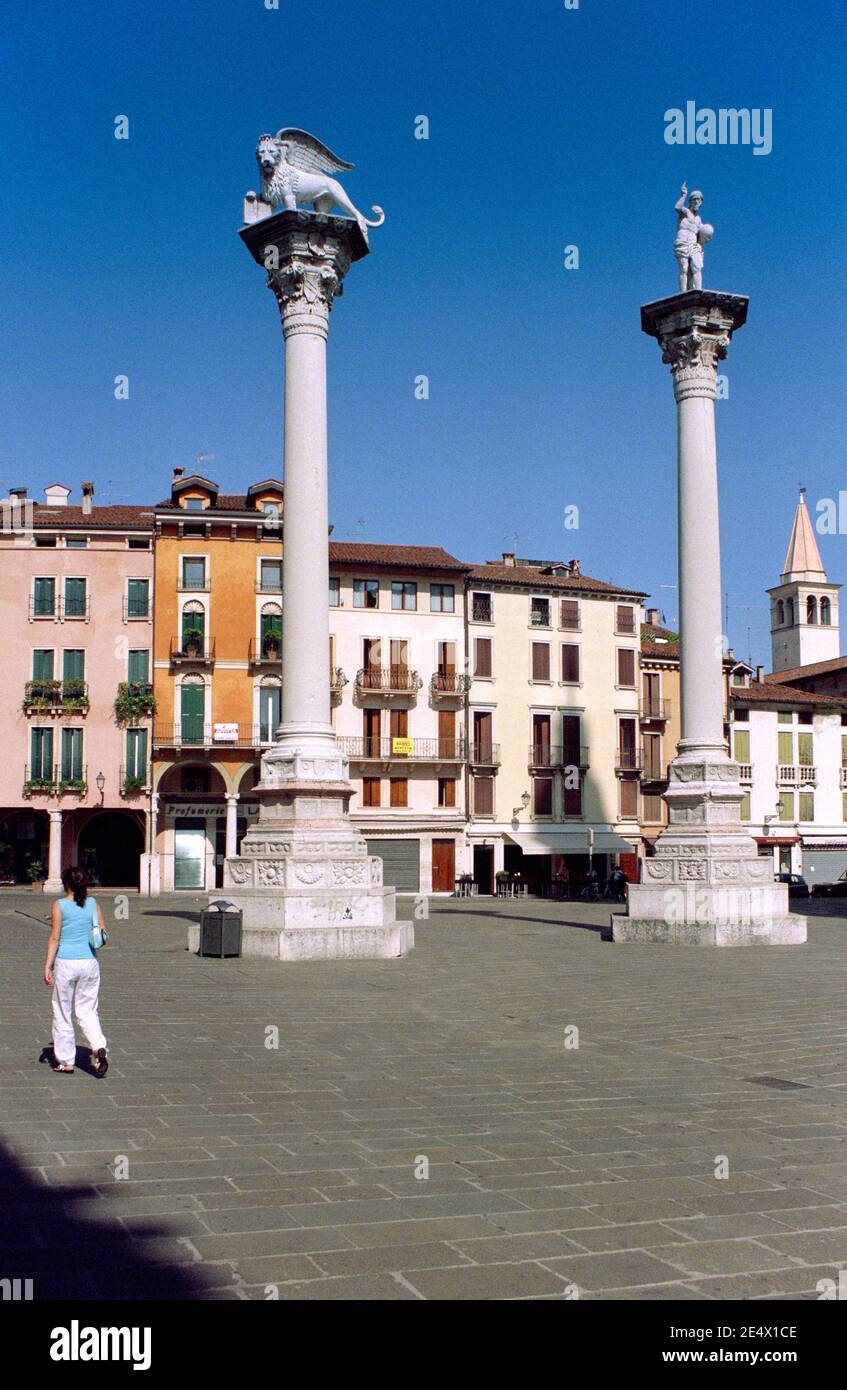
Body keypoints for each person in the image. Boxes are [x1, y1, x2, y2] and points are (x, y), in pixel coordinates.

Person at [43, 866, 109, 1077]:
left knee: (63, 1011)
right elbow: (103, 931)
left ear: (66, 884)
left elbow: (55, 937)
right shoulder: (92, 904)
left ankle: (66, 1061)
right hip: (89, 962)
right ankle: (98, 1047)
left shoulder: (59, 905)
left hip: (66, 963)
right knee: (88, 1010)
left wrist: (47, 966)